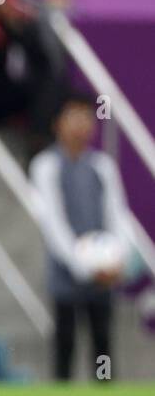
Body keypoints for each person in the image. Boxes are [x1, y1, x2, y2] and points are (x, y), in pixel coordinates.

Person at [29, 93, 133, 380]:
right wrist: (86, 265)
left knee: (102, 342)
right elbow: (54, 224)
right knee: (65, 343)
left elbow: (117, 216)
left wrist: (115, 259)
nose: (80, 124)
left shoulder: (102, 166)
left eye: (86, 117)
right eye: (73, 116)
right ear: (57, 123)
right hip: (67, 273)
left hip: (103, 273)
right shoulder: (45, 167)